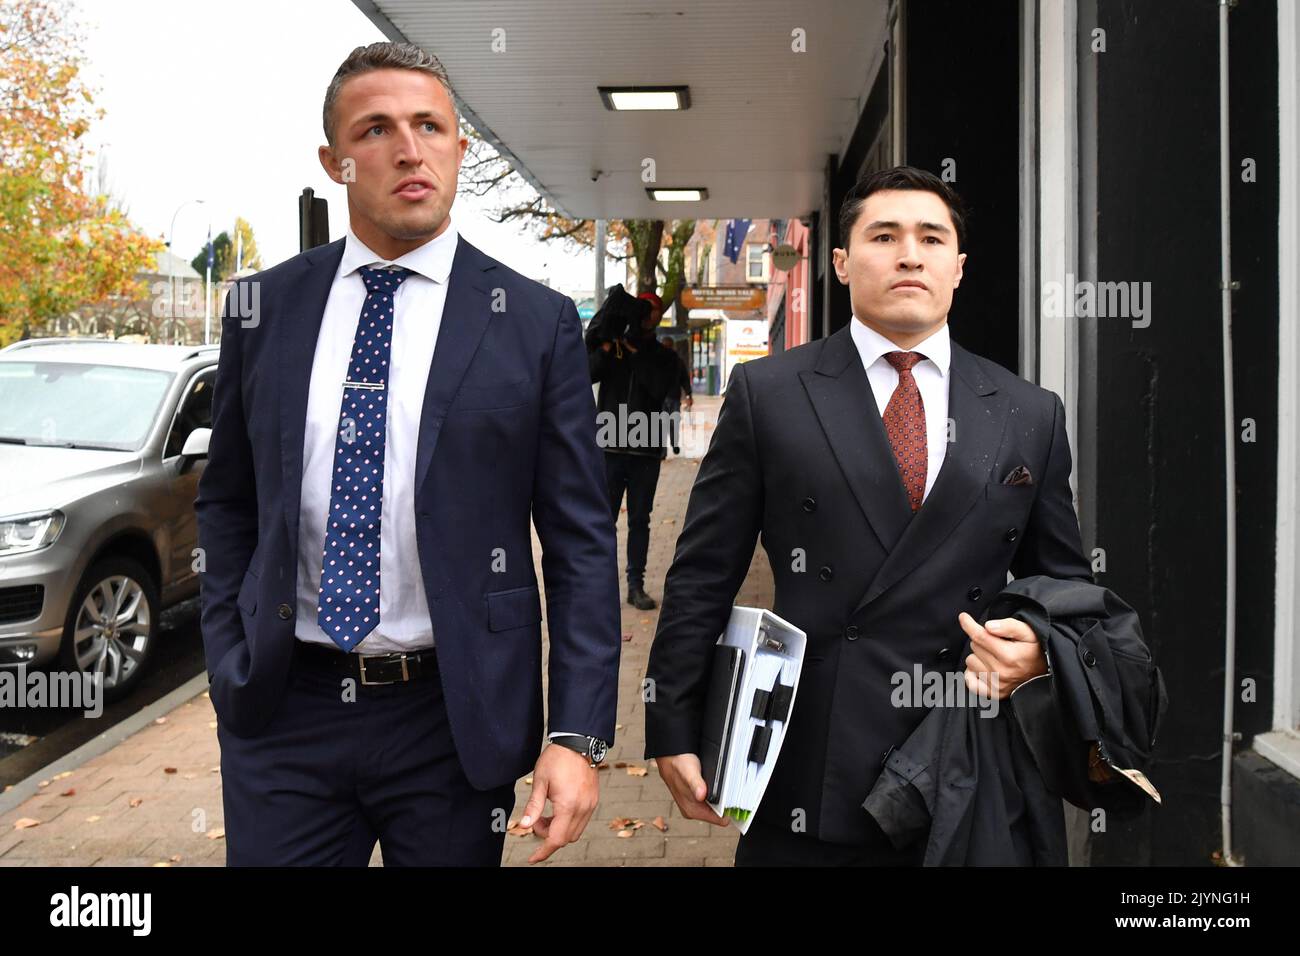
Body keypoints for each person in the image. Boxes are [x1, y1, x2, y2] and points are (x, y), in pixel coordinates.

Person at [196, 41, 620, 867]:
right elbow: (228, 501)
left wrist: (576, 734)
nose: (409, 148)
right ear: (336, 161)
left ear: (462, 148)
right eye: (377, 128)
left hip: (454, 717)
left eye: (431, 125)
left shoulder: (531, 322)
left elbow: (579, 541)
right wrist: (228, 654)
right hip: (285, 710)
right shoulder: (263, 307)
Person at [643, 165, 1097, 866]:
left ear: (959, 266)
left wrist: (1038, 654)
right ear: (841, 261)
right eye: (884, 236)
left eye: (931, 238)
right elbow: (703, 574)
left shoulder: (1028, 411)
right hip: (811, 770)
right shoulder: (770, 393)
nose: (909, 254)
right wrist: (672, 726)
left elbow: (1062, 588)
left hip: (970, 763)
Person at [586, 285, 679, 610]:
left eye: (652, 310)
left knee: (640, 519)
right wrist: (611, 345)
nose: (647, 316)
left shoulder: (662, 355)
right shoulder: (614, 351)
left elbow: (657, 390)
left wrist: (636, 354)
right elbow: (587, 373)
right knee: (603, 520)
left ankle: (635, 585)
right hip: (609, 449)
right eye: (643, 309)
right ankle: (599, 584)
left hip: (645, 452)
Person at [659, 332, 693, 455]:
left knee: (674, 423)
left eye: (669, 346)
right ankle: (662, 451)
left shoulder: (678, 362)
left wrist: (689, 395)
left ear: (672, 346)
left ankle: (674, 444)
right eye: (665, 346)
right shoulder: (656, 362)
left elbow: (684, 379)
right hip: (660, 399)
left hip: (673, 398)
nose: (667, 348)